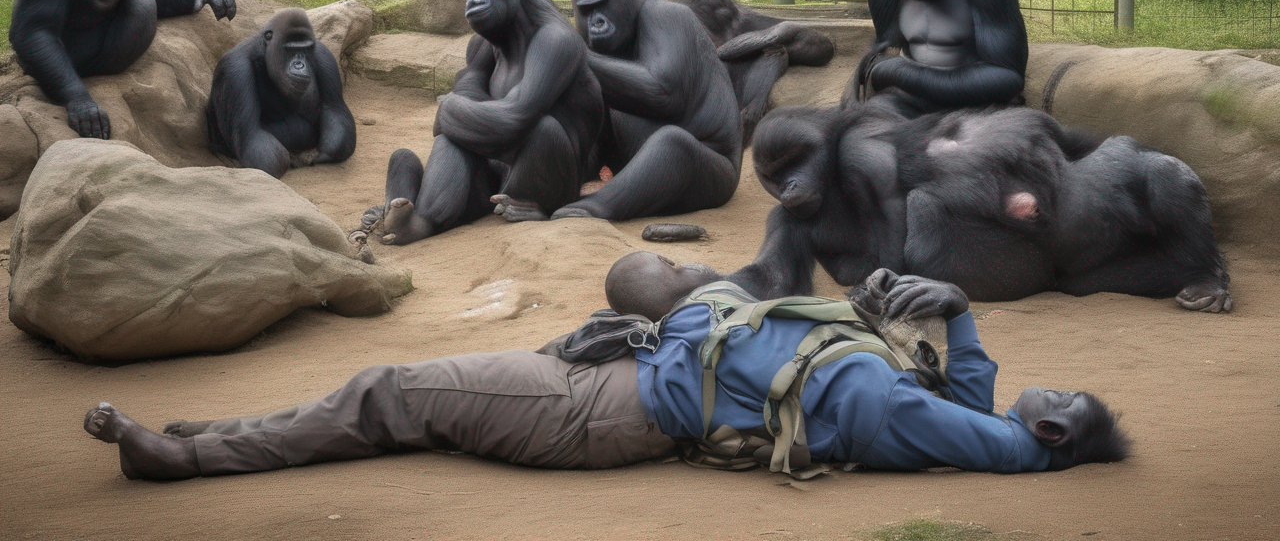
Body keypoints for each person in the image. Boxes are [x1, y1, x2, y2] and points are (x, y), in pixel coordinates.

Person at [82, 253, 1129, 480]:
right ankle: (190, 443)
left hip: (612, 409)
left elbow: (997, 440)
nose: (1047, 390)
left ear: (1048, 431)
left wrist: (958, 333)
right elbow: (973, 399)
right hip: (665, 352)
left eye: (1062, 405)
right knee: (639, 272)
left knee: (391, 394)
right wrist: (957, 312)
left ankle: (187, 457)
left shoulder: (936, 426)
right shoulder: (923, 400)